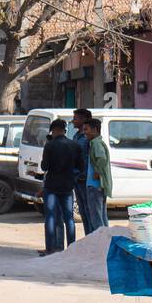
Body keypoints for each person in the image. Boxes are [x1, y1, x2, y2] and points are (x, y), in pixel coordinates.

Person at [39, 119, 81, 255]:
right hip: (68, 185)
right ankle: (72, 247)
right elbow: (81, 166)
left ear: (54, 130)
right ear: (65, 130)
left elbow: (44, 166)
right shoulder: (74, 145)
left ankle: (50, 248)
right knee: (69, 218)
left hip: (51, 185)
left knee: (51, 216)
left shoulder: (50, 145)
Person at [84, 117, 112, 232]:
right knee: (101, 216)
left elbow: (101, 158)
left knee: (96, 217)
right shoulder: (96, 142)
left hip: (95, 185)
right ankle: (106, 242)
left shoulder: (96, 143)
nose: (84, 132)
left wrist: (97, 172)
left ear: (95, 129)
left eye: (86, 129)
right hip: (97, 185)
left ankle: (101, 242)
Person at [71, 108, 93, 235]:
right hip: (77, 177)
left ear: (84, 120)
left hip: (84, 178)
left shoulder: (86, 138)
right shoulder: (76, 135)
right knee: (83, 210)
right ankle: (88, 237)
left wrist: (83, 175)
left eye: (76, 118)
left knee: (89, 210)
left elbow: (86, 158)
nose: (73, 121)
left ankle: (92, 236)